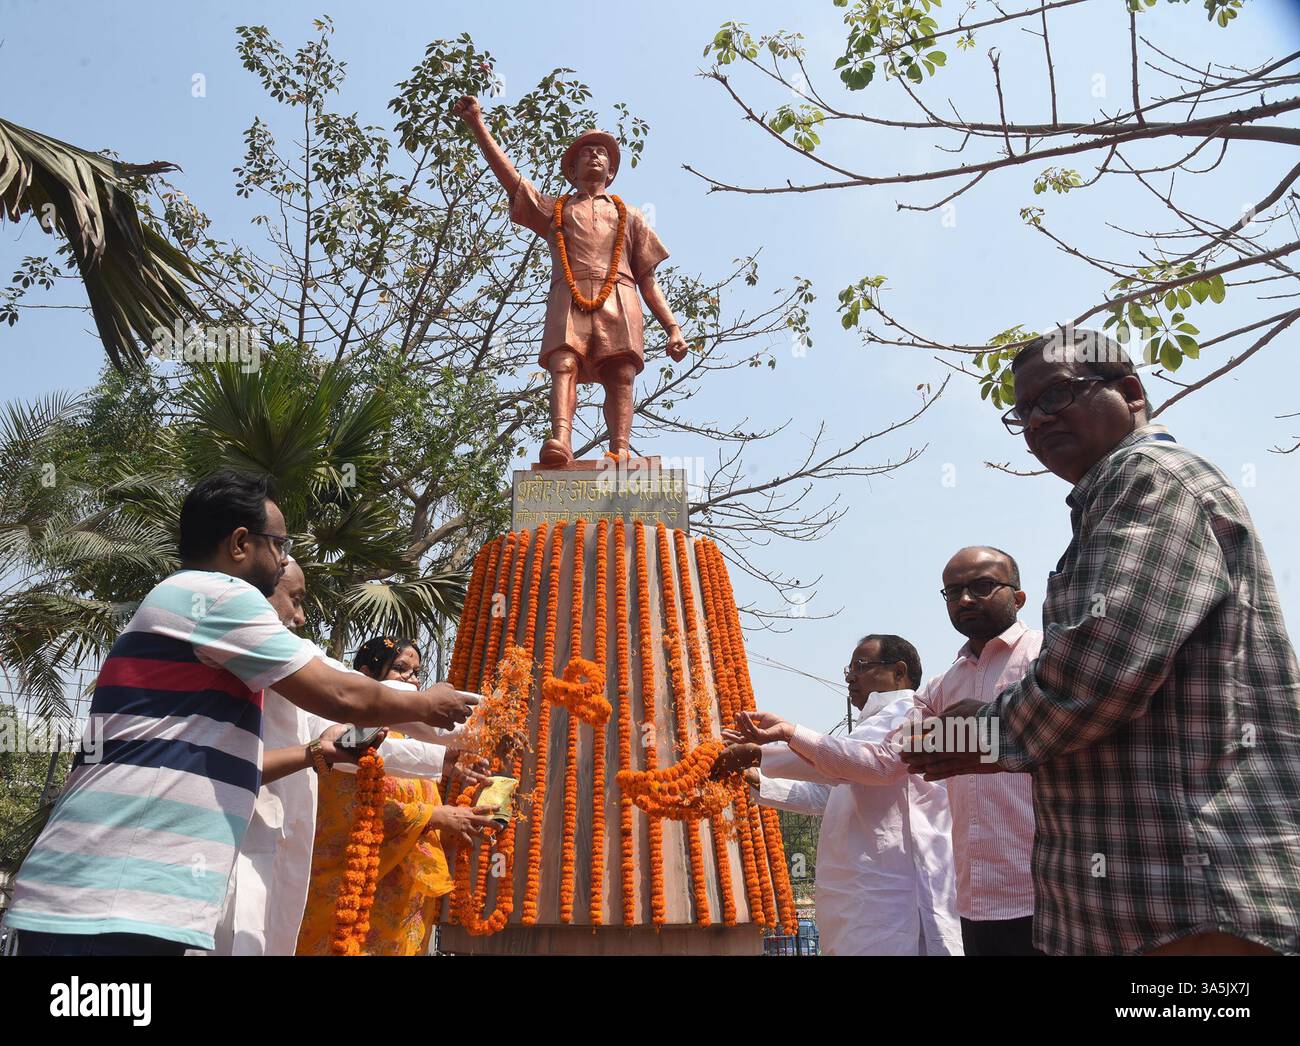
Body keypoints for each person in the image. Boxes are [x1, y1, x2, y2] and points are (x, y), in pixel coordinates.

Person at [905, 328, 1300, 956]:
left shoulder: (1151, 479)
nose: (1038, 420)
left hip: (1183, 894)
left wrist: (974, 736)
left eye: (1057, 395)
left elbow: (1093, 677)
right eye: (1024, 410)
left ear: (1132, 391)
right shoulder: (1108, 500)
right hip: (1116, 905)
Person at [6, 471, 478, 956]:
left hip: (139, 899)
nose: (283, 559)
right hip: (110, 900)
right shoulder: (214, 596)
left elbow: (343, 712)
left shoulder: (201, 611)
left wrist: (451, 734)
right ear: (239, 544)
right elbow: (341, 694)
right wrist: (432, 703)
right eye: (279, 543)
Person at [213, 561, 491, 956]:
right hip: (239, 840)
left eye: (417, 672)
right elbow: (351, 707)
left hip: (281, 846)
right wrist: (445, 721)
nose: (300, 615)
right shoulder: (256, 645)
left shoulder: (296, 658)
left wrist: (448, 754)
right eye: (294, 599)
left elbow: (351, 738)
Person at [454, 94, 689, 464]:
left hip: (620, 296)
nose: (595, 155)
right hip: (570, 293)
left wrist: (673, 327)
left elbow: (649, 279)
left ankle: (621, 451)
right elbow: (514, 184)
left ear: (610, 171)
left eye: (602, 153)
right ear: (572, 170)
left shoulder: (631, 217)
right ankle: (560, 440)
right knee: (563, 363)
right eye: (586, 152)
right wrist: (477, 125)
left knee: (621, 373)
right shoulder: (555, 210)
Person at [715, 634, 963, 956]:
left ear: (899, 672)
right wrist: (759, 780)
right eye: (849, 669)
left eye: (861, 666)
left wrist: (766, 752)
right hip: (861, 899)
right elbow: (828, 791)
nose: (850, 677)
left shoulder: (911, 715)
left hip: (893, 900)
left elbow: (866, 764)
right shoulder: (867, 728)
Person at [296, 636, 496, 956]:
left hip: (404, 897)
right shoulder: (345, 726)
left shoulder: (418, 737)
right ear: (364, 674)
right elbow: (342, 808)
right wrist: (432, 816)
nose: (411, 680)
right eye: (400, 669)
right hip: (349, 887)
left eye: (416, 672)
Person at [915, 546, 1042, 956]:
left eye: (982, 586)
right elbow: (899, 750)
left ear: (1018, 597)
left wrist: (985, 730)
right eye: (953, 592)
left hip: (1047, 892)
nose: (965, 599)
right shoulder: (943, 685)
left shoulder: (1048, 658)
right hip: (975, 899)